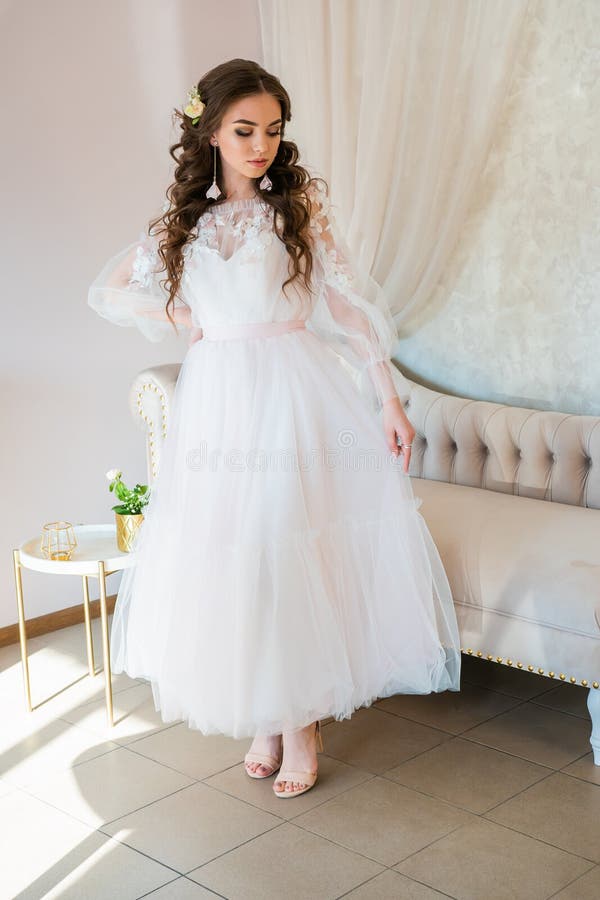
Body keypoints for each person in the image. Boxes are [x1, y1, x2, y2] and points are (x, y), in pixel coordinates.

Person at [88, 58, 461, 800]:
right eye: (244, 129)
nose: (261, 144)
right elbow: (111, 289)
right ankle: (269, 709)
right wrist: (194, 319)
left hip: (293, 392)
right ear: (212, 133)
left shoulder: (295, 211)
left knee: (287, 551)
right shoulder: (182, 224)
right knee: (239, 564)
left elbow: (350, 310)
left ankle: (300, 723)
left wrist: (388, 400)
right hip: (219, 398)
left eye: (273, 130)